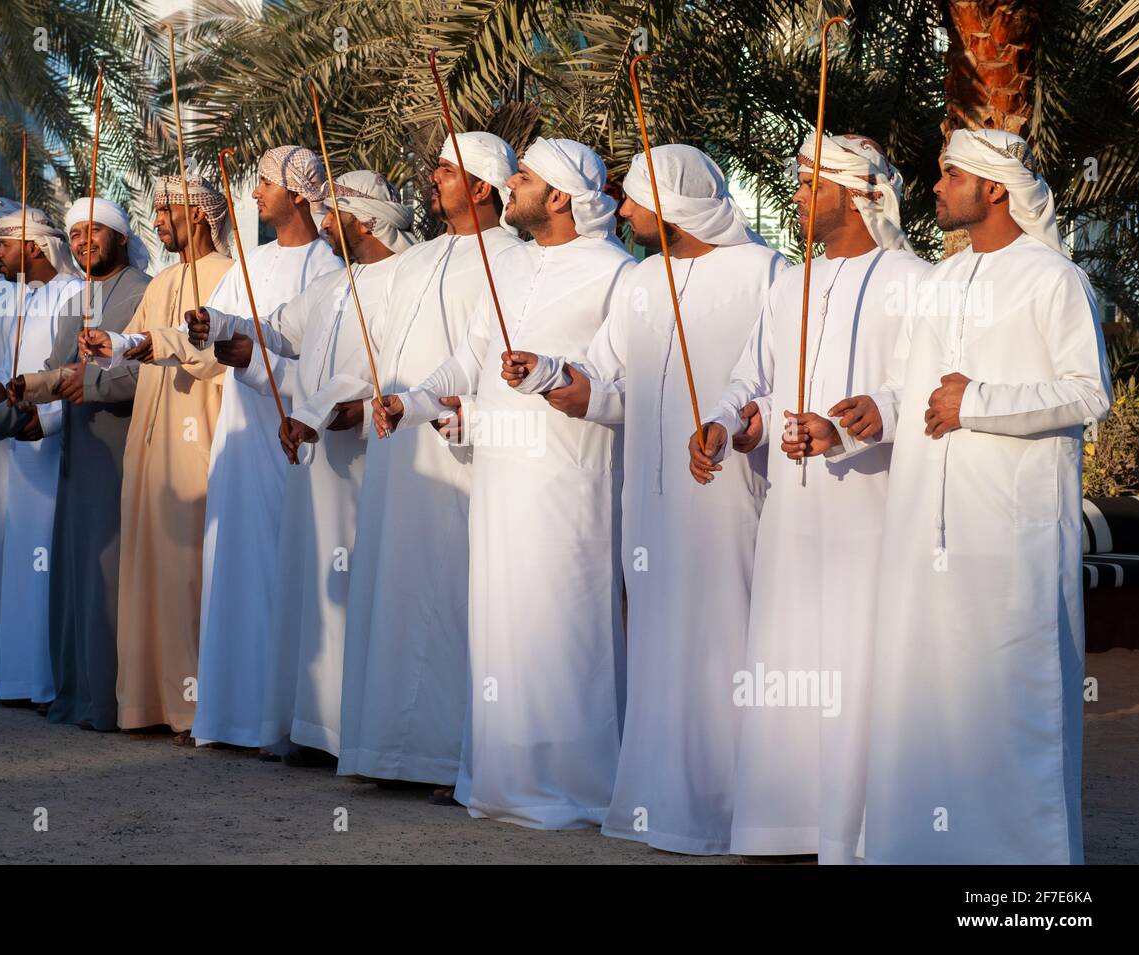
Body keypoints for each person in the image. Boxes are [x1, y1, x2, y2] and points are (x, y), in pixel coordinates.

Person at [504, 143, 786, 852]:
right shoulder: (643, 280)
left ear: (676, 205)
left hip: (729, 492)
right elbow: (607, 380)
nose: (622, 211)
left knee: (726, 639)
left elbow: (779, 380)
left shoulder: (764, 272)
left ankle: (732, 811)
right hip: (652, 503)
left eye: (634, 199)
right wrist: (547, 375)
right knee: (659, 643)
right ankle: (659, 805)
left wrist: (748, 424)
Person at [843, 128, 1110, 865]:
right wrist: (877, 413)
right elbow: (914, 390)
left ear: (994, 187)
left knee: (1008, 697)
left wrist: (980, 402)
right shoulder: (938, 280)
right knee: (928, 694)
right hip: (923, 531)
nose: (935, 187)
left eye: (950, 175)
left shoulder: (1054, 279)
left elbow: (1089, 393)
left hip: (1008, 530)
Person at [376, 137, 633, 828]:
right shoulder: (511, 266)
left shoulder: (615, 272)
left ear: (558, 196)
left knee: (563, 624)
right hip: (499, 480)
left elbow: (621, 385)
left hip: (569, 480)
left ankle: (574, 783)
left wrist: (551, 373)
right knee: (502, 626)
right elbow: (469, 359)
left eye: (522, 177)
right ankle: (502, 778)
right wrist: (415, 402)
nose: (510, 186)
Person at [689, 132, 930, 863]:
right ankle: (781, 825)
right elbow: (752, 379)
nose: (793, 195)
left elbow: (924, 387)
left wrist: (858, 422)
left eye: (804, 182)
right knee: (790, 662)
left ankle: (852, 834)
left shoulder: (914, 281)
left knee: (858, 667)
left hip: (871, 512)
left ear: (853, 192)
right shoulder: (787, 284)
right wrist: (729, 423)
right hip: (792, 515)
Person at [334, 132, 521, 792]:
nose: (433, 176)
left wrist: (455, 412)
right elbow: (375, 346)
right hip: (397, 448)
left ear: (481, 187)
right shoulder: (414, 263)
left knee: (450, 594)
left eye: (447, 169)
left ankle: (449, 757)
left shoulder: (512, 263)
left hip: (457, 452)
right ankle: (389, 751)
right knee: (395, 587)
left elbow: (489, 363)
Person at [186, 145, 342, 754]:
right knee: (237, 563)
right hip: (240, 439)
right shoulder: (246, 265)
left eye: (266, 185)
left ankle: (282, 720)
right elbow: (216, 338)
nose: (254, 195)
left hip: (292, 444)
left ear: (298, 194)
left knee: (286, 565)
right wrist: (204, 332)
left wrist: (252, 360)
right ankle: (230, 716)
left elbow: (322, 363)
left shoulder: (328, 270)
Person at [78, 174, 232, 736]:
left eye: (167, 211)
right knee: (147, 571)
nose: (159, 221)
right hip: (148, 446)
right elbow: (134, 349)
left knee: (188, 573)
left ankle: (196, 707)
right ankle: (147, 703)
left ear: (198, 215)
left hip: (197, 441)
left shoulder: (230, 278)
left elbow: (218, 357)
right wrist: (106, 347)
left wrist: (144, 345)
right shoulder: (162, 280)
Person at [0, 198, 151, 729]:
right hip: (77, 456)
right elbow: (50, 375)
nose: (84, 240)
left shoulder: (144, 294)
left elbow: (140, 375)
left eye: (95, 231)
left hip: (120, 453)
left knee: (108, 580)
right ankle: (77, 697)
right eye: (77, 232)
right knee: (74, 578)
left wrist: (77, 383)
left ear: (122, 236)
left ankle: (109, 704)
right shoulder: (78, 302)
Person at [0, 207, 83, 704]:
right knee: (24, 559)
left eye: (4, 245)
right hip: (22, 448)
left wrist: (40, 414)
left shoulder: (76, 294)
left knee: (49, 560)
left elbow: (69, 371)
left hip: (58, 443)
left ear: (33, 248)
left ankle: (52, 682)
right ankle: (21, 678)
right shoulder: (21, 298)